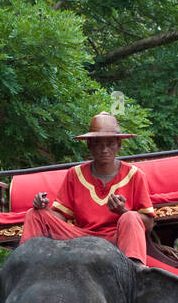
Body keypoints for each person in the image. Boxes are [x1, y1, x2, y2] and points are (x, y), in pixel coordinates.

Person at [21, 112, 155, 264]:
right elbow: (61, 217)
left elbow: (149, 224)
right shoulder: (75, 174)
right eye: (98, 144)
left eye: (110, 143)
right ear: (89, 145)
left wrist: (122, 211)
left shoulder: (135, 175)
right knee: (35, 214)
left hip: (116, 237)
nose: (104, 149)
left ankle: (135, 269)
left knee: (130, 217)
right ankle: (25, 264)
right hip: (80, 238)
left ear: (119, 145)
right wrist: (44, 208)